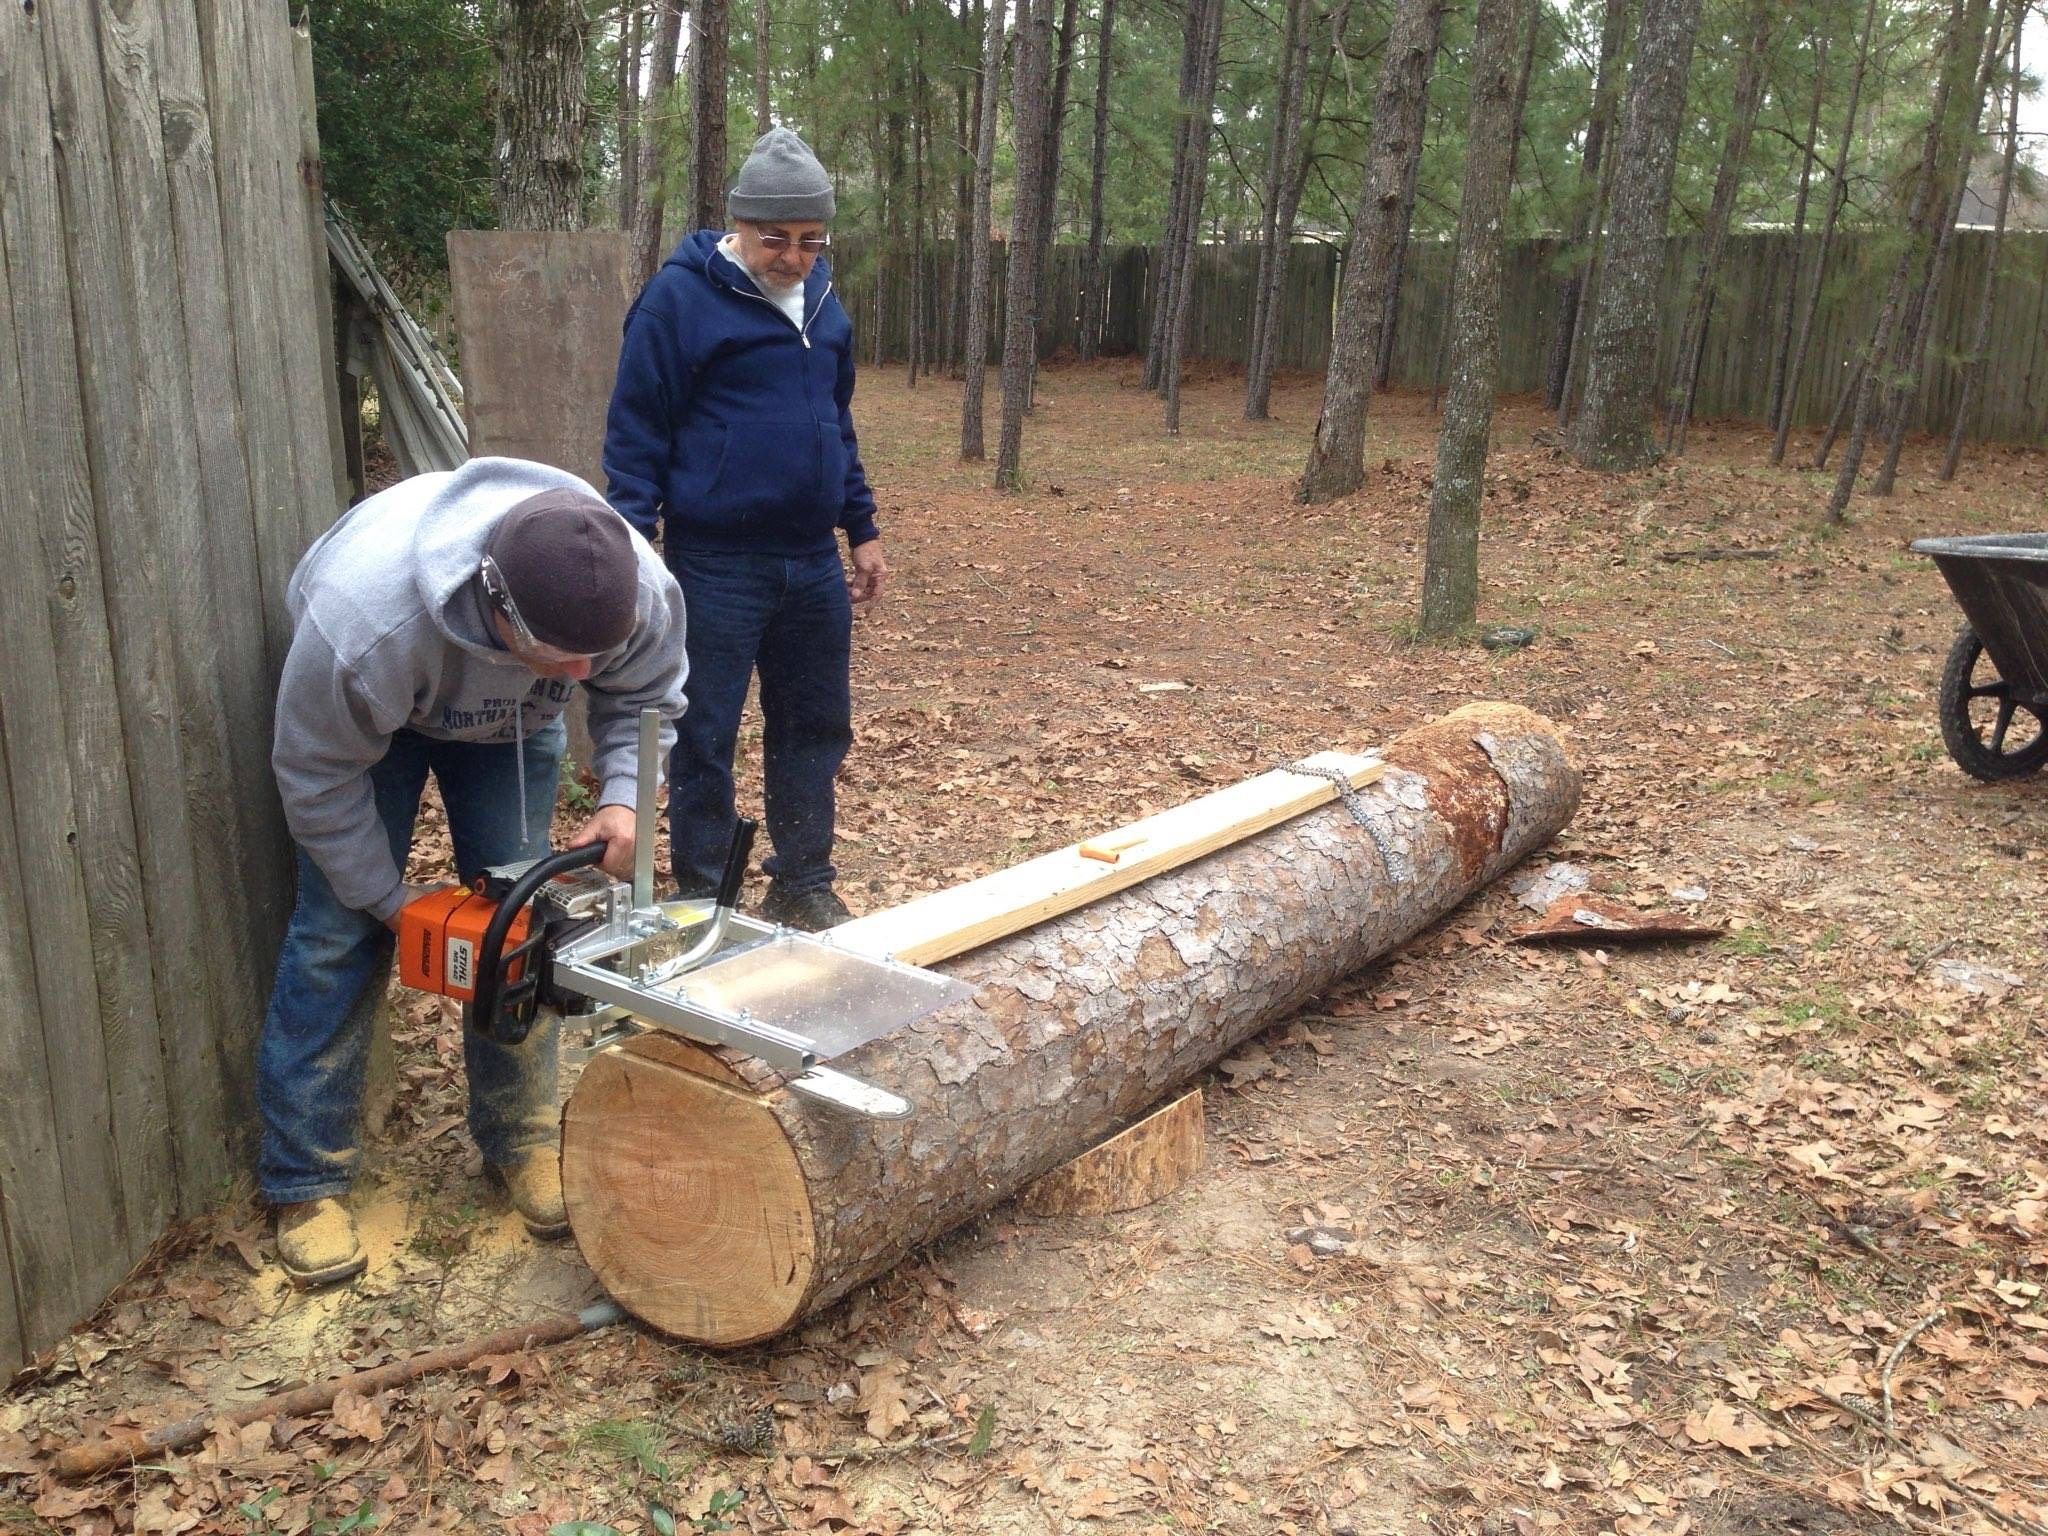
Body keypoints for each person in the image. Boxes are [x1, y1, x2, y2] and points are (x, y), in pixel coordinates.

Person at [258, 459, 687, 1287]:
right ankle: (305, 1180)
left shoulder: (639, 589)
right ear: (499, 605)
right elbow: (315, 776)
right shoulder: (363, 625)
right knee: (334, 934)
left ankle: (521, 1139)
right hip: (379, 711)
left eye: (592, 659)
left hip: (510, 728)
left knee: (521, 930)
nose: (579, 678)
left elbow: (646, 698)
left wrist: (629, 799)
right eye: (563, 659)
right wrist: (389, 901)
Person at [603, 127, 886, 932]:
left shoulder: (825, 303)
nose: (795, 258)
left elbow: (837, 422)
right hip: (717, 563)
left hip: (810, 561)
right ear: (739, 225)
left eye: (810, 240)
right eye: (777, 239)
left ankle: (802, 880)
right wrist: (632, 551)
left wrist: (860, 526)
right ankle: (703, 897)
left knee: (815, 725)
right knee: (705, 732)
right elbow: (635, 434)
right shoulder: (678, 300)